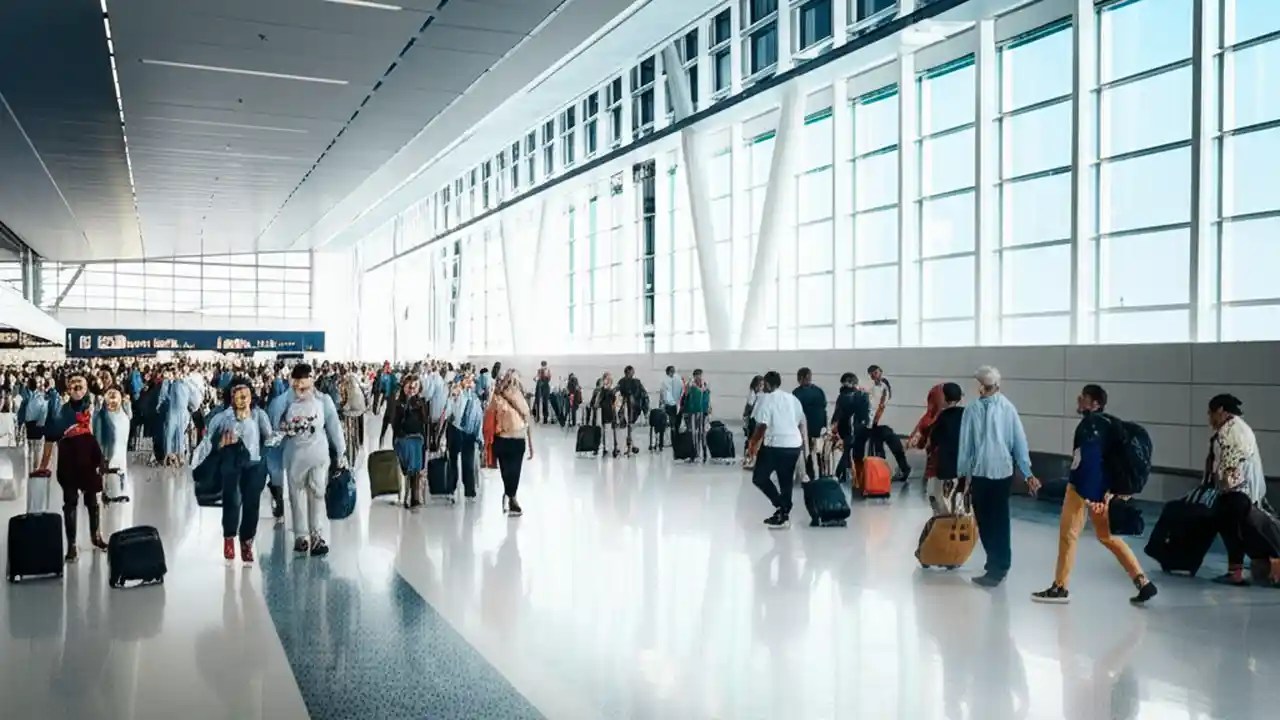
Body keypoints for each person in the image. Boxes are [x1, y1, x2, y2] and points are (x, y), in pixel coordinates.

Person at [1032, 384, 1157, 604]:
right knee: (1107, 536)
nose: (1079, 401)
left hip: (1084, 488)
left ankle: (1060, 587)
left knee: (1068, 534)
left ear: (1095, 404)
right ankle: (1142, 581)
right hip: (1104, 489)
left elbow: (1088, 463)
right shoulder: (1110, 424)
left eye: (1084, 398)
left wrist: (1093, 496)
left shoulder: (1090, 426)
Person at [956, 366, 1037, 588]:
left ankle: (999, 566)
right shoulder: (972, 409)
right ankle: (993, 562)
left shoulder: (1007, 409)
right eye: (982, 384)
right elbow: (966, 445)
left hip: (1001, 473)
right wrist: (963, 475)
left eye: (988, 385)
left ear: (996, 386)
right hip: (981, 473)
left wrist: (1028, 472)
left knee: (999, 521)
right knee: (983, 521)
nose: (984, 389)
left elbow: (1019, 442)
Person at [194, 379, 274, 565]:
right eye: (237, 395)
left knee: (251, 503)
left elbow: (269, 438)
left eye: (245, 394)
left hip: (254, 465)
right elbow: (207, 441)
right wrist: (221, 443)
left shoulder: (259, 415)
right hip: (230, 464)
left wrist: (276, 438)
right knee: (232, 500)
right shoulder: (221, 417)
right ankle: (229, 537)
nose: (241, 399)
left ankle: (246, 542)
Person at [271, 363, 347, 556]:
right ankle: (301, 536)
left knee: (318, 493)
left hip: (318, 455)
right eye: (296, 387)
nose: (299, 391)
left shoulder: (324, 401)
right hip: (294, 456)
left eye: (303, 387)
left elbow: (334, 427)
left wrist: (341, 452)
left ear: (312, 382)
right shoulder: (285, 401)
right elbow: (273, 422)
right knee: (296, 497)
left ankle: (317, 536)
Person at [1204, 393, 1278, 586]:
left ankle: (1235, 572)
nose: (1209, 418)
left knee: (1229, 526)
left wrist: (1225, 486)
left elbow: (1231, 467)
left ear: (1220, 411)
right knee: (1240, 530)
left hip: (1239, 494)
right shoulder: (1239, 427)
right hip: (1249, 494)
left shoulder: (1230, 432)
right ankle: (1246, 569)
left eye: (1210, 413)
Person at [36, 372, 106, 562]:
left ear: (86, 388)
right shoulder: (61, 411)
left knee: (92, 501)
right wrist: (43, 465)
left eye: (80, 384)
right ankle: (72, 544)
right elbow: (50, 438)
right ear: (68, 388)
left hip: (90, 463)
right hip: (68, 463)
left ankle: (96, 536)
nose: (76, 387)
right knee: (70, 503)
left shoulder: (95, 409)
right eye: (73, 383)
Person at [745, 371, 809, 529]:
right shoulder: (792, 398)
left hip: (776, 444)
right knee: (785, 480)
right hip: (793, 444)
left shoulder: (766, 399)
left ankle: (782, 507)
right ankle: (784, 513)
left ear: (766, 384)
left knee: (759, 477)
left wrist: (752, 445)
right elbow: (800, 419)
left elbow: (761, 426)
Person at [381, 374, 430, 508]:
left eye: (415, 387)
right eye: (409, 386)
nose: (411, 389)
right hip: (402, 440)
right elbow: (392, 420)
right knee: (403, 470)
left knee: (415, 471)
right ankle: (403, 496)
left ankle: (414, 498)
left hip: (416, 440)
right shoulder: (397, 401)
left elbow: (425, 423)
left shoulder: (421, 403)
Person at [489, 372, 533, 516]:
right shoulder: (496, 398)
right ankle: (510, 496)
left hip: (516, 438)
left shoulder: (517, 396)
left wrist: (531, 445)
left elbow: (527, 419)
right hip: (502, 438)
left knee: (514, 472)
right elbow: (490, 418)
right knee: (507, 472)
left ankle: (511, 497)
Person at [925, 383, 965, 516]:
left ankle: (944, 521)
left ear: (944, 397)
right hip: (963, 464)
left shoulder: (942, 417)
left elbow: (933, 440)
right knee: (958, 497)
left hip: (945, 465)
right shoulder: (965, 414)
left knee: (936, 495)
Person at [866, 365, 912, 482]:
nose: (874, 375)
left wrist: (875, 420)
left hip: (880, 422)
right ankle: (901, 468)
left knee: (881, 448)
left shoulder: (883, 386)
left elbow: (881, 405)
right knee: (890, 446)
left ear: (880, 372)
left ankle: (883, 472)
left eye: (875, 372)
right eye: (871, 373)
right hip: (880, 422)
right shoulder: (874, 388)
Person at [445, 374, 484, 502]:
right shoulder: (454, 394)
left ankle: (469, 491)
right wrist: (453, 397)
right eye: (466, 380)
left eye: (471, 380)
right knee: (452, 461)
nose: (469, 382)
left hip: (469, 433)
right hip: (455, 430)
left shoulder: (474, 398)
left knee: (468, 462)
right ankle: (451, 488)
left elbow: (478, 416)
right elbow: (448, 412)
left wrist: (479, 436)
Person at [92, 387, 131, 504]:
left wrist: (127, 404)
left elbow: (129, 417)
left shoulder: (123, 413)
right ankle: (107, 493)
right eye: (110, 395)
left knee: (119, 469)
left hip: (121, 450)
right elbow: (97, 434)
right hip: (108, 451)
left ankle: (119, 491)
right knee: (108, 471)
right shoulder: (102, 416)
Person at [793, 368, 828, 481]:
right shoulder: (819, 391)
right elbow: (824, 407)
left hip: (805, 428)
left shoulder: (797, 393)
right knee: (819, 452)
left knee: (807, 452)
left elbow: (794, 411)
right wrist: (825, 425)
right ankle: (822, 475)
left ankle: (810, 474)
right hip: (818, 426)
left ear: (801, 378)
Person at [683, 369, 711, 463]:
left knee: (702, 433)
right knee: (693, 433)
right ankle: (694, 453)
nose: (699, 377)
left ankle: (704, 453)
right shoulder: (691, 385)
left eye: (700, 375)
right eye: (697, 375)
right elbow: (686, 394)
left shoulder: (705, 385)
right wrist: (688, 385)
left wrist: (709, 409)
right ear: (694, 376)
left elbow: (708, 398)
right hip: (693, 412)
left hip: (703, 412)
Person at [658, 366, 683, 448]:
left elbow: (681, 390)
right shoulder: (664, 382)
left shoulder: (677, 379)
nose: (673, 372)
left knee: (677, 424)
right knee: (672, 424)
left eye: (674, 371)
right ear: (668, 372)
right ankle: (673, 441)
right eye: (671, 371)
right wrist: (662, 404)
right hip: (669, 405)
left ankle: (677, 440)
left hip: (677, 404)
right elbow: (663, 394)